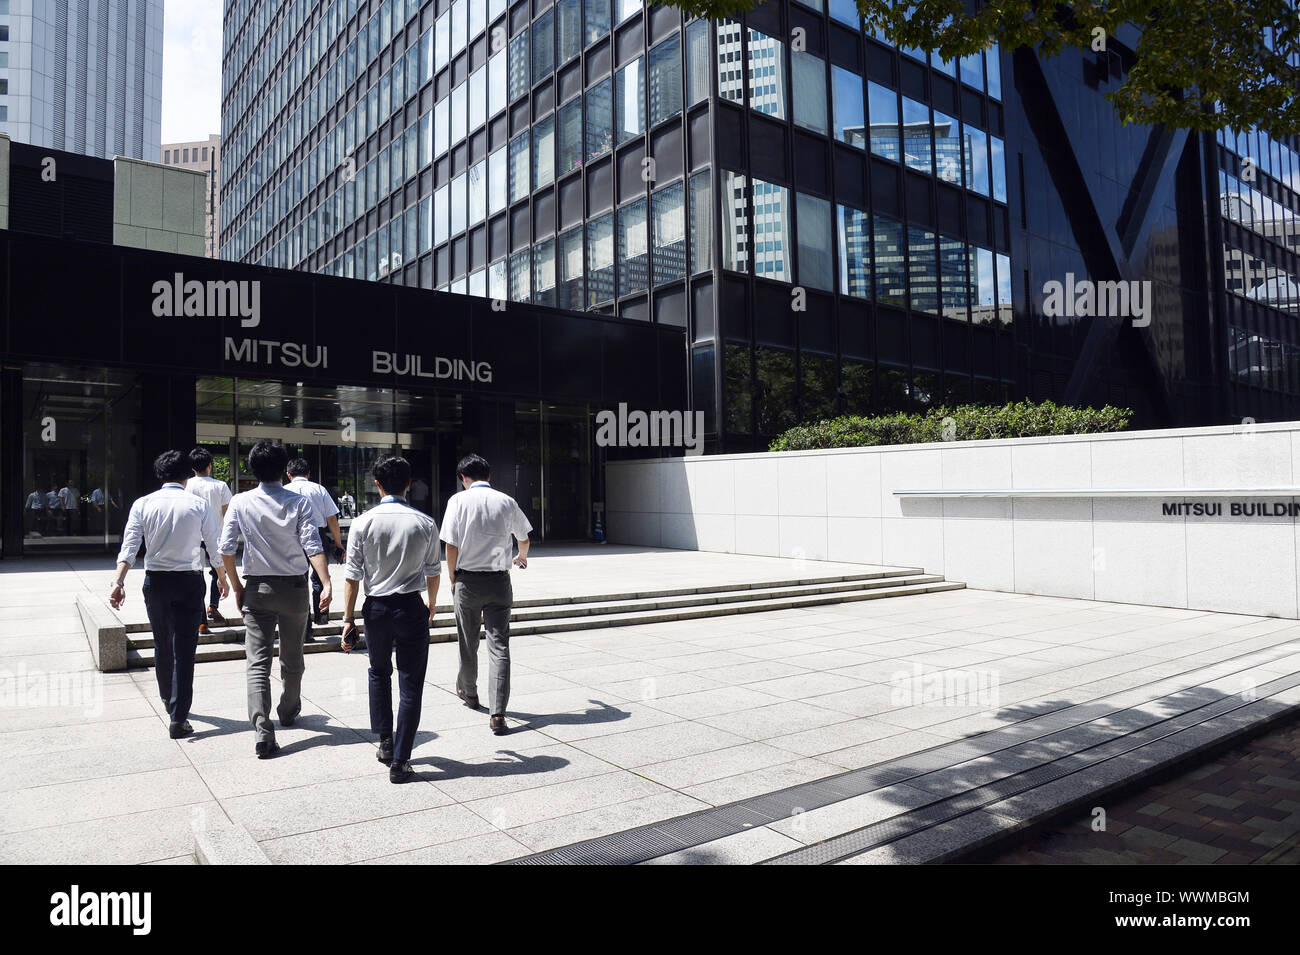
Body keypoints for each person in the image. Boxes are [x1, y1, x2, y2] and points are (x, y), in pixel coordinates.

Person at [219, 440, 332, 759]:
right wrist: (325, 582)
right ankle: (288, 709)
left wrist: (237, 586)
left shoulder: (241, 502)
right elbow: (312, 543)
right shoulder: (298, 502)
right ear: (285, 470)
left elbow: (225, 548)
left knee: (257, 661)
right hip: (295, 589)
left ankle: (262, 731)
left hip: (258, 588)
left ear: (252, 470)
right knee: (293, 657)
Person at [110, 451, 228, 739]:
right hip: (189, 580)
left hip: (156, 581)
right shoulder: (198, 505)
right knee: (185, 650)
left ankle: (166, 697)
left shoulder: (143, 504)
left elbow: (130, 546)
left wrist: (118, 581)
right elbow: (214, 545)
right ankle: (179, 716)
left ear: (160, 474)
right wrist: (222, 577)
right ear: (187, 474)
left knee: (162, 642)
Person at [339, 456, 441, 783]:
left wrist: (347, 619)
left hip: (377, 608)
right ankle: (401, 759)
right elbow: (434, 572)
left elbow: (352, 577)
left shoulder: (362, 522)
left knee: (379, 672)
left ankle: (384, 740)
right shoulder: (424, 522)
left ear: (377, 483)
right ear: (408, 483)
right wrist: (432, 605)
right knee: (411, 684)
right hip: (411, 606)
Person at [439, 453, 531, 736]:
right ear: (489, 476)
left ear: (464, 478)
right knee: (499, 646)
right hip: (499, 582)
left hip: (468, 581)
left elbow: (451, 546)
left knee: (468, 643)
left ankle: (469, 692)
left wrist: (453, 577)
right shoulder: (506, 501)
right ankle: (498, 713)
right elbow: (524, 537)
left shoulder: (457, 501)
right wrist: (521, 556)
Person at [283, 458, 343, 640]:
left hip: (293, 537)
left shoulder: (284, 491)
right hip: (318, 534)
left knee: (299, 582)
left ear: (288, 475)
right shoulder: (319, 489)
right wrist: (338, 543)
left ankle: (306, 629)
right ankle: (321, 614)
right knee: (319, 578)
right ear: (308, 474)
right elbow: (332, 518)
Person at [186, 448, 234, 635]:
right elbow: (227, 514)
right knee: (217, 573)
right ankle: (213, 606)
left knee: (197, 577)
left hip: (193, 537)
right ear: (209, 466)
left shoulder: (187, 485)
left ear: (192, 468)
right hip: (216, 537)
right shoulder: (220, 486)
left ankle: (201, 621)